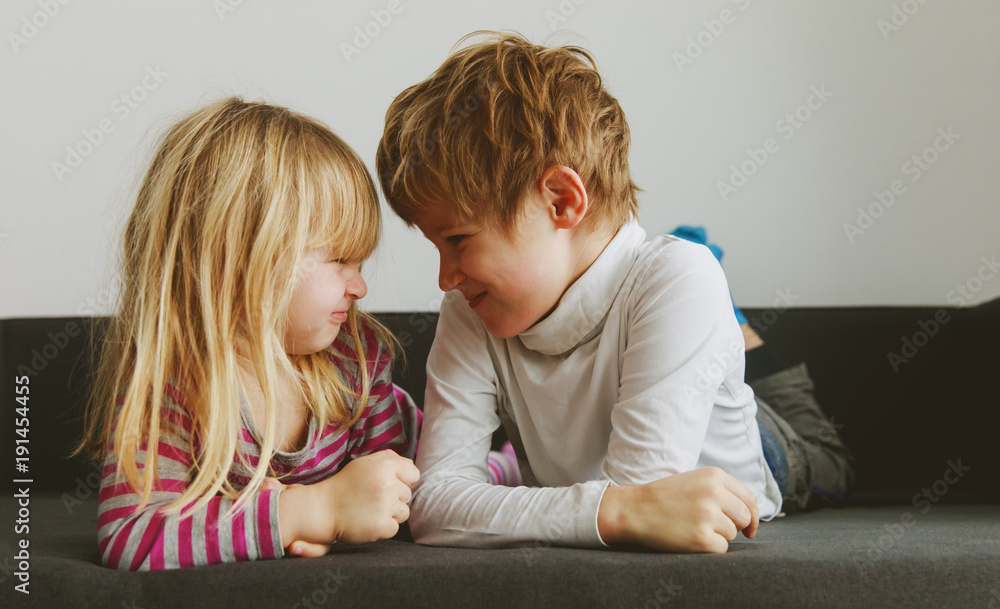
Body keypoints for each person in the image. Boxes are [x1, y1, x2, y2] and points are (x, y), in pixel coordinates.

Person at [374, 32, 852, 553]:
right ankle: (721, 330)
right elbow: (437, 508)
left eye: (458, 240)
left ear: (561, 201)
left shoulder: (676, 279)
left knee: (830, 462)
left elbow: (644, 492)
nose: (445, 278)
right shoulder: (468, 310)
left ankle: (734, 329)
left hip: (761, 445)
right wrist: (614, 510)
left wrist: (613, 506)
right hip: (658, 331)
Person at [73, 97, 424, 571]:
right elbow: (131, 536)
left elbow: (408, 491)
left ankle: (508, 462)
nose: (359, 287)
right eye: (340, 259)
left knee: (480, 469)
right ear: (238, 260)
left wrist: (350, 508)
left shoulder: (355, 363)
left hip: (441, 448)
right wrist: (306, 512)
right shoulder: (179, 384)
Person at [668, 225, 855, 511]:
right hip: (756, 446)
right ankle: (728, 311)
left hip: (745, 437)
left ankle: (722, 306)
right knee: (835, 468)